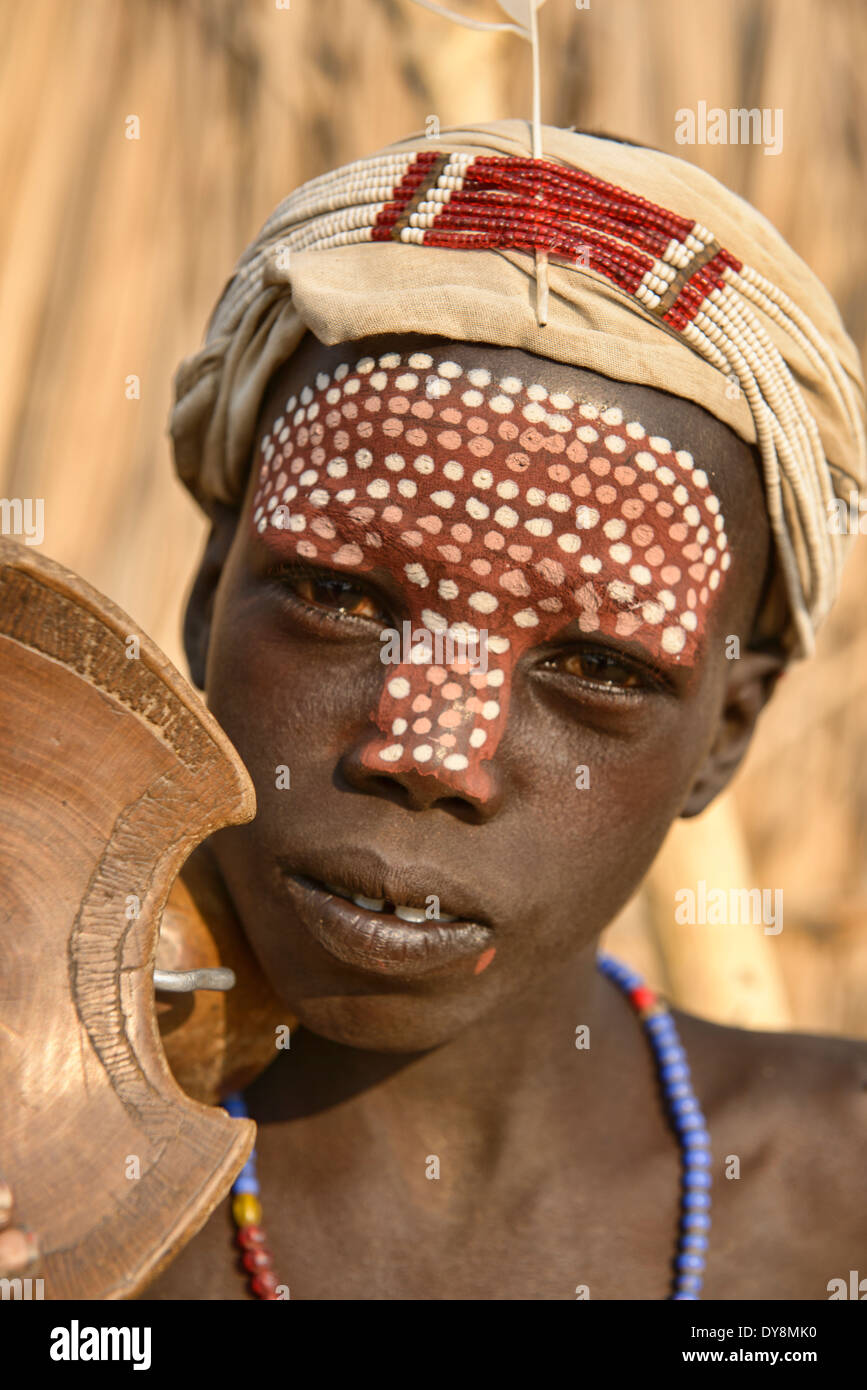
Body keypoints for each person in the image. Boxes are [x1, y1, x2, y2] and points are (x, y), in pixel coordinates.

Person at [6, 121, 867, 1300]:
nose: (427, 750)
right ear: (210, 595)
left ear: (727, 735)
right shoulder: (36, 1189)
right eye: (337, 595)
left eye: (599, 669)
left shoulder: (839, 1196)